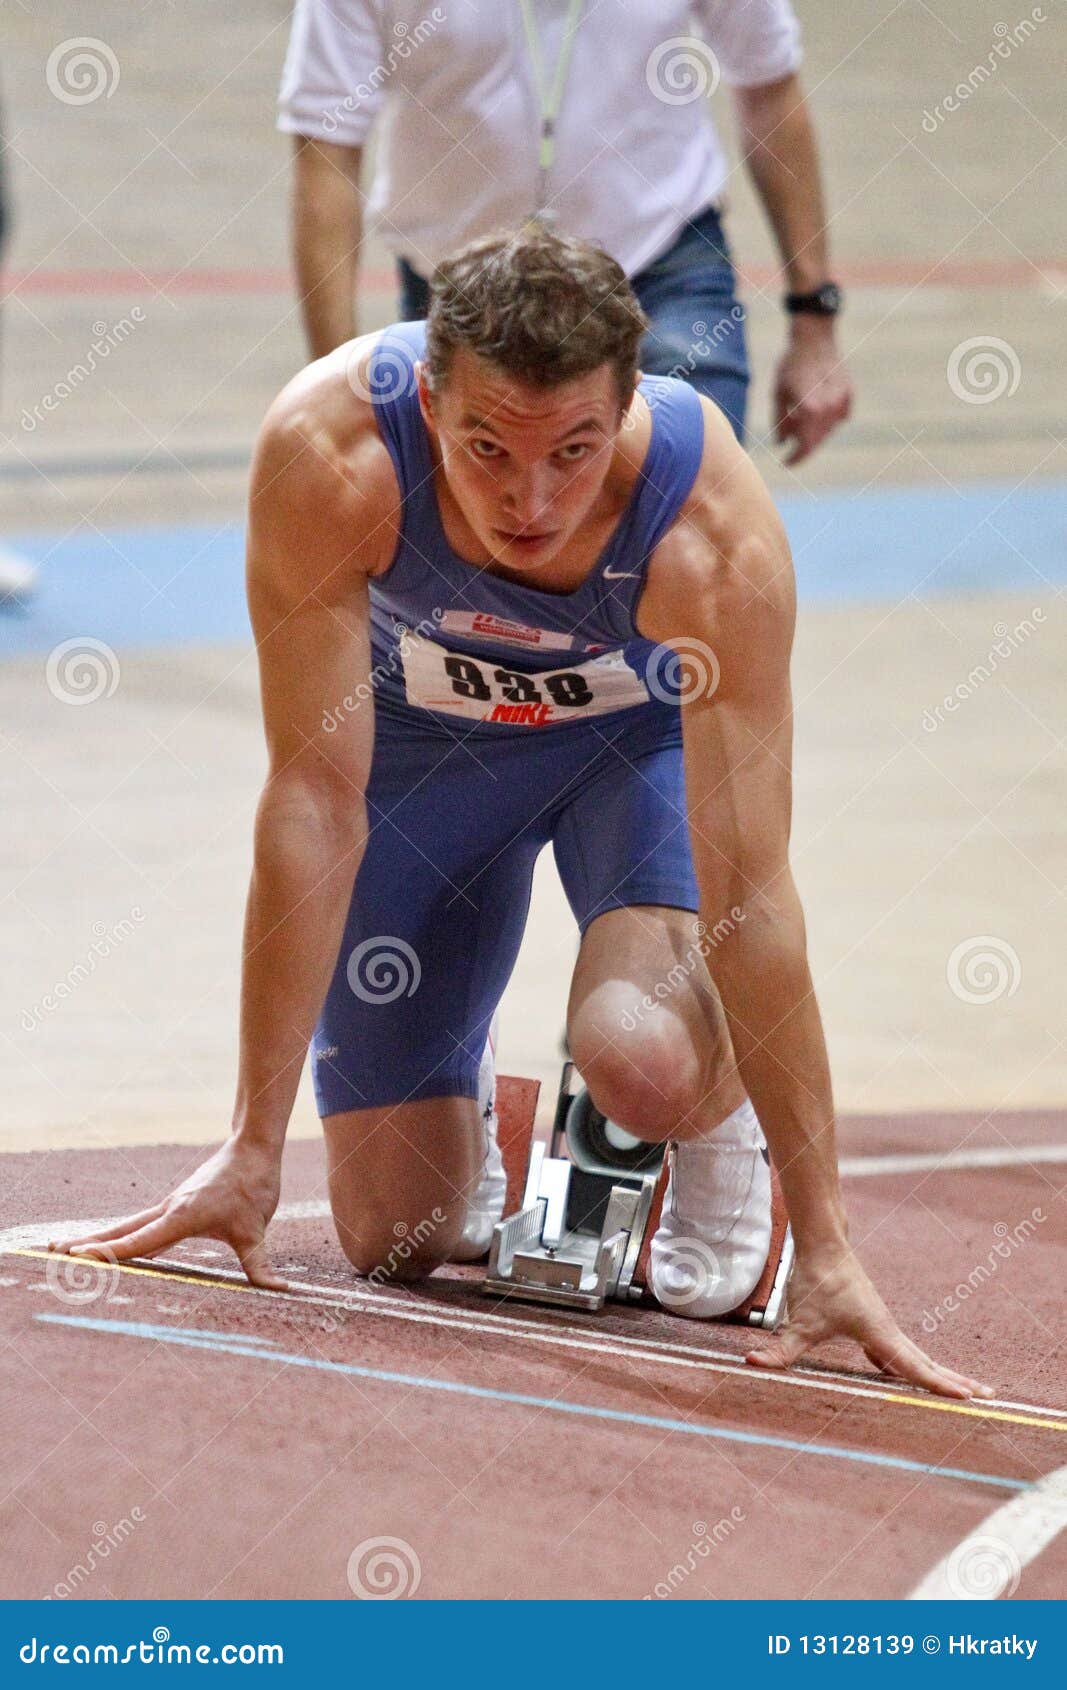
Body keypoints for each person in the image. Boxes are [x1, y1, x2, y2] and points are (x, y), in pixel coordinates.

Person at [50, 228, 988, 1399]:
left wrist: (830, 1239)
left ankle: (710, 1115)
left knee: (635, 1053)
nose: (529, 498)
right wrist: (249, 1146)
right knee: (396, 1237)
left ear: (626, 409)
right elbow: (309, 796)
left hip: (625, 752)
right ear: (428, 397)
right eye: (487, 447)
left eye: (573, 452)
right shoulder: (331, 450)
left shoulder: (709, 531)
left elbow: (751, 890)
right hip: (420, 758)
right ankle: (461, 1058)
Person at [280, 0, 852, 461]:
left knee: (693, 533)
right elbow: (326, 148)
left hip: (659, 266)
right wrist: (335, 380)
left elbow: (770, 88)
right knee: (489, 560)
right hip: (460, 295)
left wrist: (814, 322)